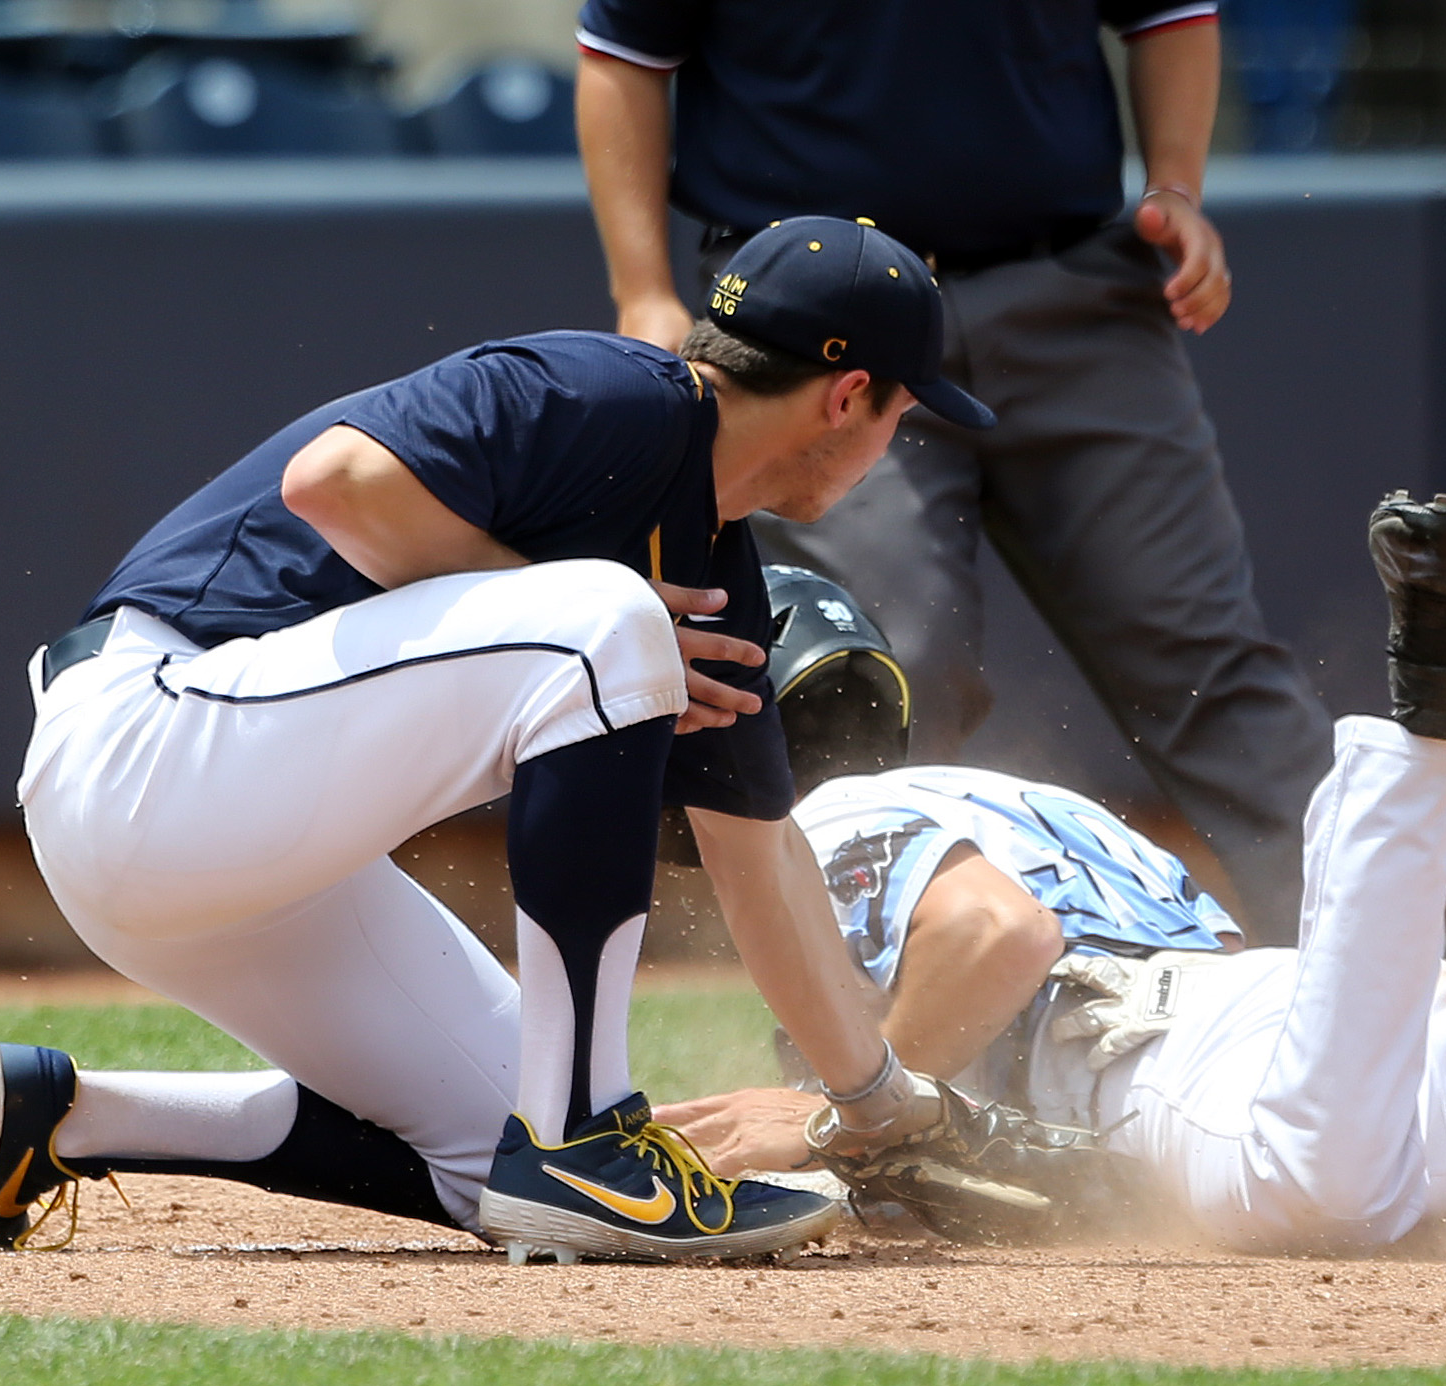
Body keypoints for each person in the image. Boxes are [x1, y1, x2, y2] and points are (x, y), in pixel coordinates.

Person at [660, 303, 1446, 1253]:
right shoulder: (1008, 802)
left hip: (1236, 1080)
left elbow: (996, 934)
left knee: (1323, 1186)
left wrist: (843, 1121)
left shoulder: (834, 812)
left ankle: (1427, 720)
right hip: (1331, 1030)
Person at [0, 217, 988, 1264]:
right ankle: (584, 1134)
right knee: (607, 619)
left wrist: (878, 1093)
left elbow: (761, 861)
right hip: (148, 741)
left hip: (248, 861)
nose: (897, 441)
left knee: (490, 1158)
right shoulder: (609, 394)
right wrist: (586, 614)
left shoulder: (714, 574)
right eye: (905, 413)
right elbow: (332, 484)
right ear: (850, 396)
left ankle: (56, 1115)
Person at [571, 0, 1337, 946]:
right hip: (820, 319)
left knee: (1203, 659)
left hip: (1072, 289)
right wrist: (640, 285)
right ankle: (866, 1046)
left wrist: (1176, 181)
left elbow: (1171, 13)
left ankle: (1408, 997)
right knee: (879, 675)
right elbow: (623, 53)